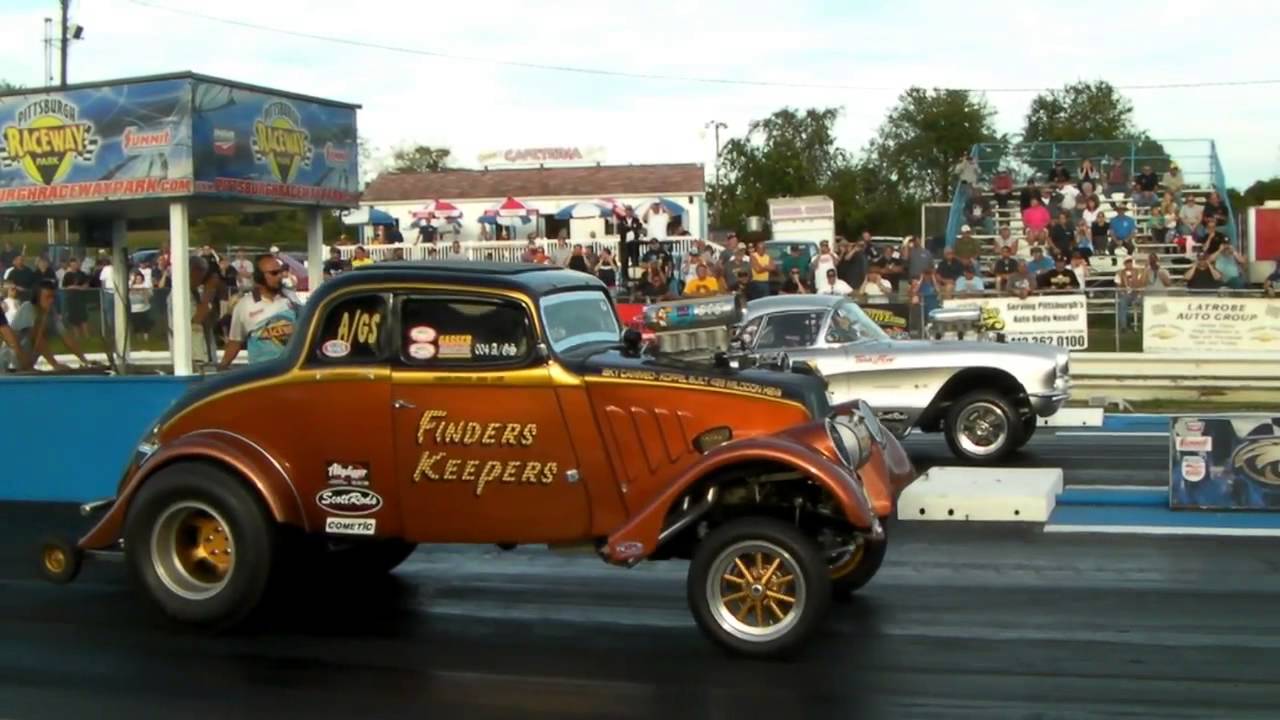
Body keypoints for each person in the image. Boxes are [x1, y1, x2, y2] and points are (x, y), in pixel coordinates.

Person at [218, 254, 301, 369]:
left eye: (280, 272)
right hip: (261, 374)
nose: (280, 276)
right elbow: (235, 341)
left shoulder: (292, 298)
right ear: (259, 277)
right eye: (274, 273)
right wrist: (222, 367)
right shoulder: (244, 306)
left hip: (290, 371)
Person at [8, 280, 91, 370]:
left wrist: (85, 361)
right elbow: (36, 338)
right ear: (37, 297)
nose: (51, 300)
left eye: (53, 297)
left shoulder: (51, 313)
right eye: (47, 297)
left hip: (26, 367)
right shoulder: (28, 308)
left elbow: (66, 337)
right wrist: (55, 364)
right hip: (9, 364)